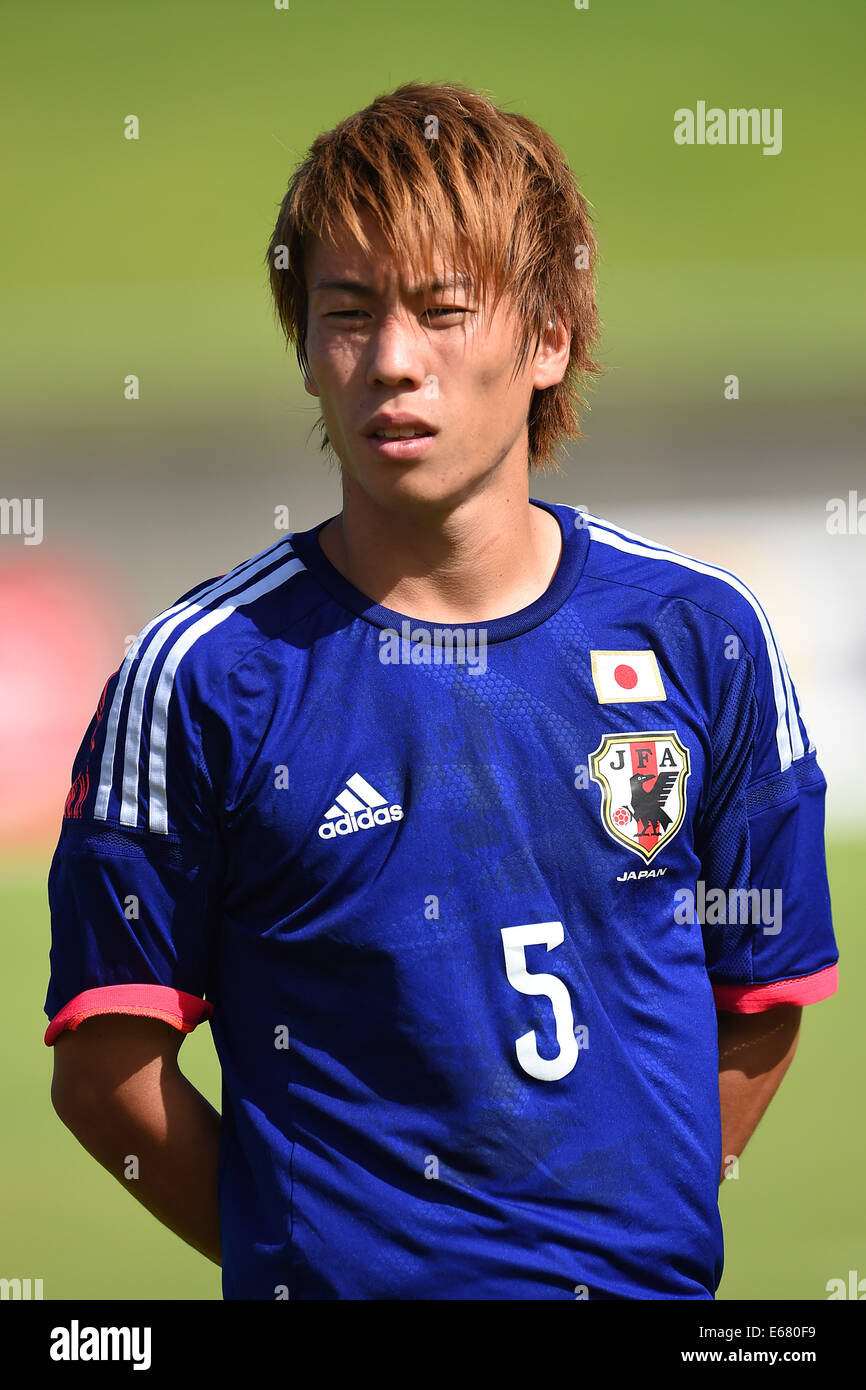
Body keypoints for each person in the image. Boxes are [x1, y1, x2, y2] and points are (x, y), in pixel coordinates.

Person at [45, 80, 838, 1301]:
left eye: (443, 310)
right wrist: (319, 1267)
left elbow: (762, 992)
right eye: (347, 313)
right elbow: (108, 1075)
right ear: (304, 346)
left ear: (547, 338)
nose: (391, 362)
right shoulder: (199, 677)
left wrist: (621, 1243)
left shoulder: (701, 636)